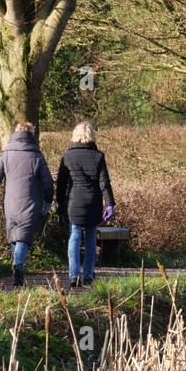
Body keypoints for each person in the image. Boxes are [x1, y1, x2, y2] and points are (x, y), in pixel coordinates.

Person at [0, 121, 53, 287]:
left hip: (10, 202)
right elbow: (48, 183)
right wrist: (48, 201)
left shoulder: (5, 154)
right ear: (31, 135)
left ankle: (17, 268)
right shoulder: (36, 155)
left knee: (14, 236)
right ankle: (18, 265)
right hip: (31, 201)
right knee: (24, 237)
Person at [54, 120, 115, 288]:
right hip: (93, 201)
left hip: (74, 202)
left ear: (75, 136)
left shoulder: (68, 156)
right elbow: (104, 182)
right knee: (90, 238)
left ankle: (74, 275)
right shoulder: (98, 156)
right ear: (92, 135)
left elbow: (61, 183)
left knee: (74, 235)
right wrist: (109, 204)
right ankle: (88, 275)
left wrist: (59, 202)